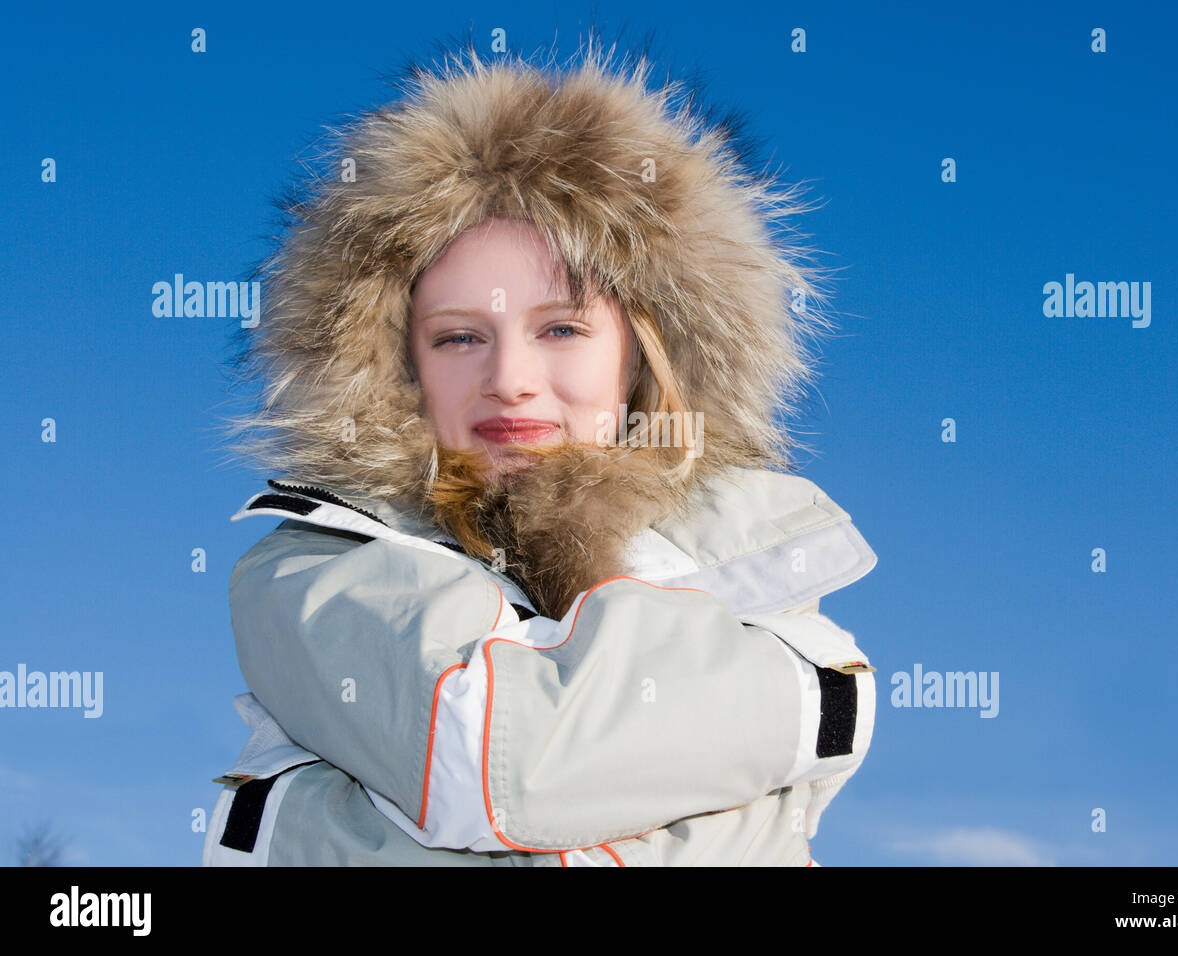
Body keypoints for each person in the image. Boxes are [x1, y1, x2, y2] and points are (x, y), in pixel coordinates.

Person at [203, 40, 880, 867]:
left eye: (560, 329)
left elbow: (828, 713)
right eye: (458, 338)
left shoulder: (748, 547)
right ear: (395, 365)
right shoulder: (318, 564)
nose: (510, 380)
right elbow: (498, 764)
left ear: (642, 351)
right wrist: (786, 729)